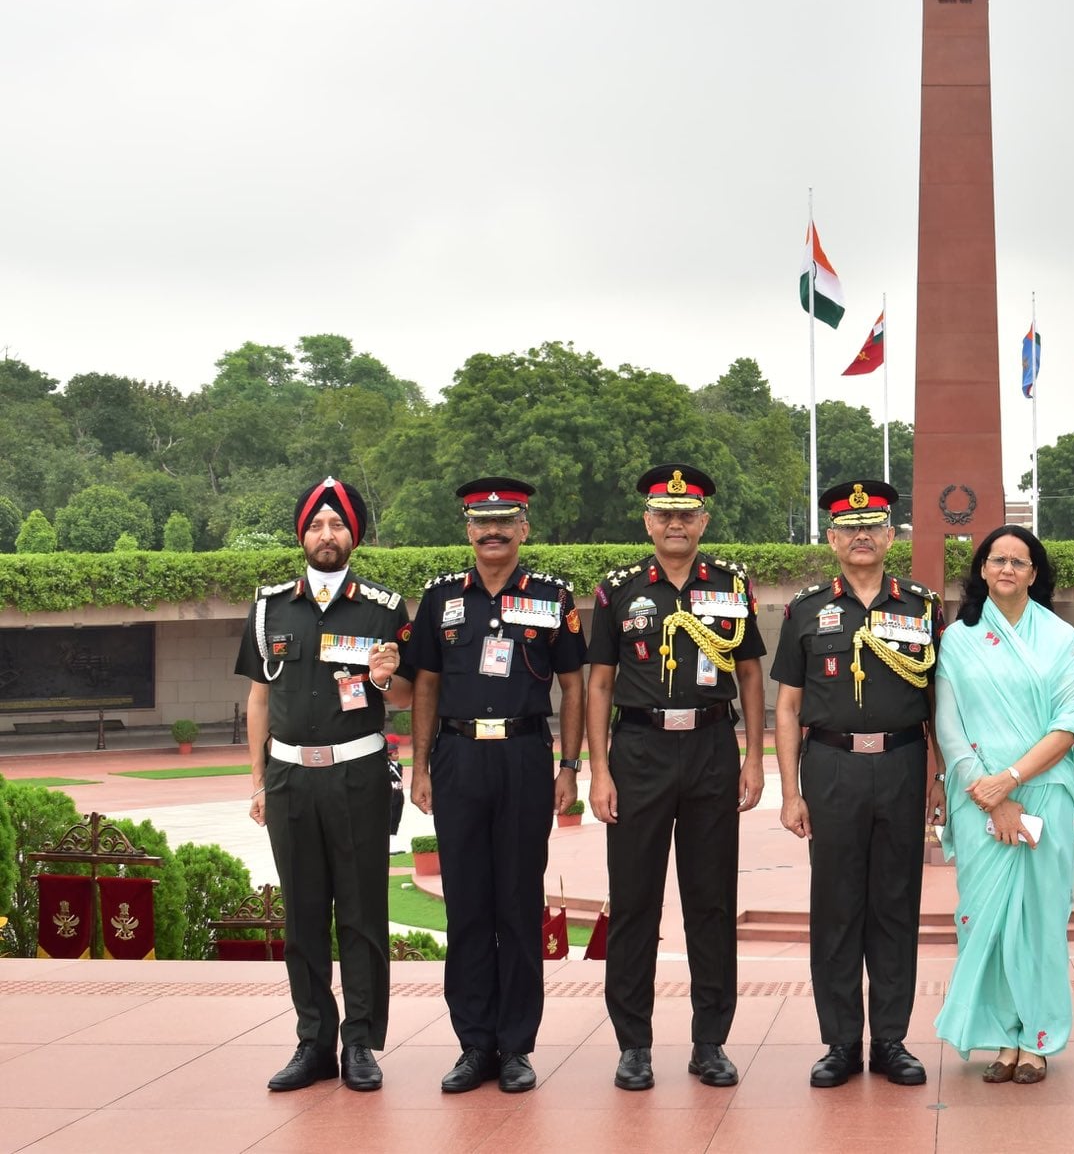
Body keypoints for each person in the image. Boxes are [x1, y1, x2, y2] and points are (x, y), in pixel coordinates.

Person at [585, 464, 766, 1090]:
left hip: (713, 747)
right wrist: (598, 770)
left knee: (710, 903)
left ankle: (709, 1041)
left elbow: (748, 676)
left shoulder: (730, 586)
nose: (676, 522)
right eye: (665, 513)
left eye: (687, 513)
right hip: (638, 751)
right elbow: (600, 683)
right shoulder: (619, 589)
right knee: (634, 902)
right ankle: (633, 1044)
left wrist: (754, 756)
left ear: (704, 521)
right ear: (648, 522)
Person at [406, 477, 587, 1095]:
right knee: (467, 906)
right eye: (482, 521)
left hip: (523, 757)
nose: (493, 531)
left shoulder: (552, 598)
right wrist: (421, 764)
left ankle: (516, 1047)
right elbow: (424, 685)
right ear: (467, 530)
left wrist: (570, 766)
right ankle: (474, 1044)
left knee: (516, 903)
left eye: (505, 521)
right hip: (457, 757)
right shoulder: (439, 602)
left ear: (524, 529)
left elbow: (574, 687)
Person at [236, 477, 412, 1093]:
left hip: (358, 774)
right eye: (315, 525)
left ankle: (360, 1041)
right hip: (289, 778)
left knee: (362, 913)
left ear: (353, 536)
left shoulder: (384, 608)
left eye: (337, 525)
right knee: (303, 914)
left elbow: (413, 693)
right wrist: (258, 780)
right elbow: (259, 698)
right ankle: (313, 1040)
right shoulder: (268, 608)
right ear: (301, 535)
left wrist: (389, 679)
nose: (326, 535)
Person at [773, 480, 944, 1087]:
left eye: (873, 525)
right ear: (831, 538)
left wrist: (940, 776)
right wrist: (791, 791)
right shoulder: (804, 609)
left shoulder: (922, 607)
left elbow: (939, 702)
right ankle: (841, 1042)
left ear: (891, 535)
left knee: (897, 904)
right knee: (837, 907)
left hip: (901, 765)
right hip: (832, 767)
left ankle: (892, 1040)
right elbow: (788, 707)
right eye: (849, 527)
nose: (862, 535)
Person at [932, 526, 1074, 1086]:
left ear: (1035, 573)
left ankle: (1038, 1039)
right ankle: (1001, 1037)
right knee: (986, 923)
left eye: (1020, 562)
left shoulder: (1060, 636)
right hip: (979, 802)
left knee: (1042, 921)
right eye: (997, 560)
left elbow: (1069, 722)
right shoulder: (957, 638)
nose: (1007, 570)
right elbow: (948, 726)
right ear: (981, 569)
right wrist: (990, 793)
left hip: (1043, 794)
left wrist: (1013, 780)